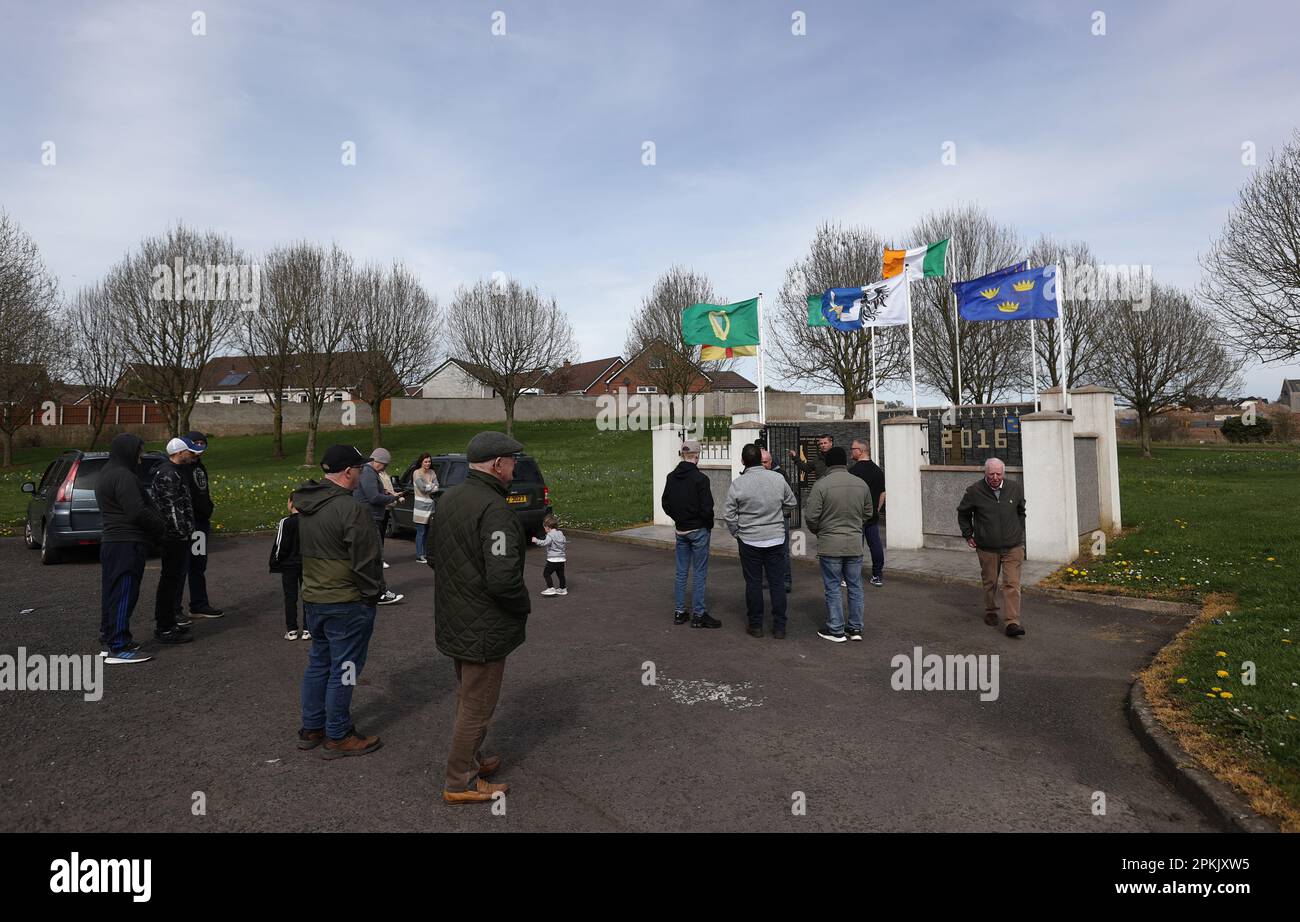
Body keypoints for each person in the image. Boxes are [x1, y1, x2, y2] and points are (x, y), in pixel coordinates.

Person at [434, 431, 531, 804]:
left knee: (468, 696)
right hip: (484, 625)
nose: (515, 467)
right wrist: (523, 603)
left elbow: (435, 557)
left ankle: (470, 761)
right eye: (512, 461)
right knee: (477, 705)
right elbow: (503, 578)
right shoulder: (496, 510)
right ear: (497, 465)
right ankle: (460, 781)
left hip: (456, 616)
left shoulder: (451, 498)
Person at [293, 444, 386, 757]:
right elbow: (366, 561)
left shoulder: (307, 503)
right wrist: (372, 595)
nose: (361, 473)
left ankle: (313, 727)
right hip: (346, 600)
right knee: (344, 668)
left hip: (314, 597)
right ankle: (338, 733)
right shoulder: (351, 508)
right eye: (359, 468)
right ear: (348, 472)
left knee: (319, 663)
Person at [95, 433, 166, 664]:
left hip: (113, 542)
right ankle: (119, 646)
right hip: (126, 542)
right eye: (139, 451)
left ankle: (109, 639)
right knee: (124, 592)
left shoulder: (107, 472)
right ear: (129, 451)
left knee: (112, 593)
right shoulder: (123, 476)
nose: (141, 456)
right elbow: (136, 511)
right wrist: (162, 528)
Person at [724, 442, 797, 639]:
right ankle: (780, 626)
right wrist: (779, 516)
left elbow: (729, 514)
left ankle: (756, 624)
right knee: (777, 583)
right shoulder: (777, 478)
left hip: (749, 539)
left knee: (753, 583)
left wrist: (737, 532)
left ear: (742, 461)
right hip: (775, 537)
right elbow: (791, 502)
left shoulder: (738, 484)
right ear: (760, 460)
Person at [805, 446, 873, 643]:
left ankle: (836, 629)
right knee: (855, 586)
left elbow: (811, 516)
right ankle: (855, 628)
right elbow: (868, 513)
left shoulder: (821, 485)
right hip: (854, 543)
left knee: (833, 586)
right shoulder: (861, 484)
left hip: (830, 544)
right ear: (845, 462)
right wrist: (856, 526)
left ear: (828, 463)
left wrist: (820, 531)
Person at [957, 457, 1027, 638]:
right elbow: (963, 513)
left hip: (1013, 546)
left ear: (1004, 473)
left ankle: (1012, 623)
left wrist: (1018, 530)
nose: (995, 477)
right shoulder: (974, 491)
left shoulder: (1015, 488)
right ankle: (990, 610)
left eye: (999, 473)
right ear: (985, 473)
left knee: (1012, 584)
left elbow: (1021, 511)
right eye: (991, 474)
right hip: (987, 547)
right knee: (990, 582)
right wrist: (968, 534)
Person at [148, 437, 201, 646]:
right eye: (189, 451)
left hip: (176, 535)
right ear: (179, 453)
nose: (193, 455)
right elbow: (172, 508)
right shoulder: (169, 474)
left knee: (173, 580)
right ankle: (165, 626)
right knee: (170, 580)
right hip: (174, 537)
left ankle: (169, 621)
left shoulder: (172, 471)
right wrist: (183, 532)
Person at [660, 439, 716, 628]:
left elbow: (666, 503)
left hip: (681, 529)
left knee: (681, 572)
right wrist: (706, 525)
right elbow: (707, 508)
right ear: (697, 456)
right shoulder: (700, 479)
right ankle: (698, 615)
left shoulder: (671, 477)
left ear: (683, 454)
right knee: (699, 573)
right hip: (698, 529)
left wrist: (678, 517)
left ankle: (679, 611)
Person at [180, 431, 223, 619]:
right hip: (186, 525)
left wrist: (207, 508)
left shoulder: (199, 466)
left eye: (201, 447)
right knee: (182, 566)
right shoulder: (179, 468)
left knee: (198, 564)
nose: (198, 452)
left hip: (201, 525)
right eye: (194, 447)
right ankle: (174, 610)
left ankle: (198, 604)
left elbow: (202, 492)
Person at [353, 447, 404, 605]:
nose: (385, 469)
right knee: (376, 557)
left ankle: (372, 590)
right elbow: (373, 497)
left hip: (369, 518)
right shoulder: (369, 473)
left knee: (371, 557)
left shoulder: (368, 472)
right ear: (378, 462)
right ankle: (380, 592)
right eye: (385, 465)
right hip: (370, 519)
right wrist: (391, 499)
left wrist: (387, 494)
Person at [849, 438, 887, 587]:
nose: (851, 451)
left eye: (853, 449)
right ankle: (877, 575)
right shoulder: (878, 470)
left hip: (855, 516)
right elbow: (882, 494)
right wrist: (875, 511)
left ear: (861, 451)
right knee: (875, 545)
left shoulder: (853, 471)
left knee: (854, 547)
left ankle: (851, 576)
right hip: (871, 516)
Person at [270, 497, 309, 641]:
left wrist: (275, 561)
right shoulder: (309, 521)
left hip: (289, 565)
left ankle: (292, 629)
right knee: (308, 596)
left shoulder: (285, 522)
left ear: (291, 503)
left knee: (290, 597)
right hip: (307, 563)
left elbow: (280, 545)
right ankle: (307, 629)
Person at [761, 448, 793, 594]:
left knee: (783, 551)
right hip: (765, 520)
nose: (763, 465)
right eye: (760, 462)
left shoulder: (780, 475)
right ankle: (769, 579)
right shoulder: (757, 475)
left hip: (780, 519)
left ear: (771, 461)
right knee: (765, 551)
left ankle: (785, 581)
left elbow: (791, 499)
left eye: (765, 462)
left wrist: (782, 514)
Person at [410, 452, 438, 564]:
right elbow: (422, 488)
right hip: (420, 507)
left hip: (430, 506)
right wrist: (431, 486)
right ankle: (419, 555)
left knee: (428, 532)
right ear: (421, 462)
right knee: (421, 532)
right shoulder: (417, 473)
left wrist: (429, 487)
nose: (428, 463)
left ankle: (426, 553)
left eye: (429, 461)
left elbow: (437, 486)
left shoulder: (432, 472)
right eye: (425, 461)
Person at [530, 513, 568, 596]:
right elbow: (564, 543)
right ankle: (562, 588)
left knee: (546, 573)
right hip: (561, 558)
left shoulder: (550, 535)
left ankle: (550, 588)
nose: (545, 530)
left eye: (545, 528)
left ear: (548, 527)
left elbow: (544, 543)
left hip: (553, 559)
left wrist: (536, 540)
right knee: (560, 574)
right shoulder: (561, 534)